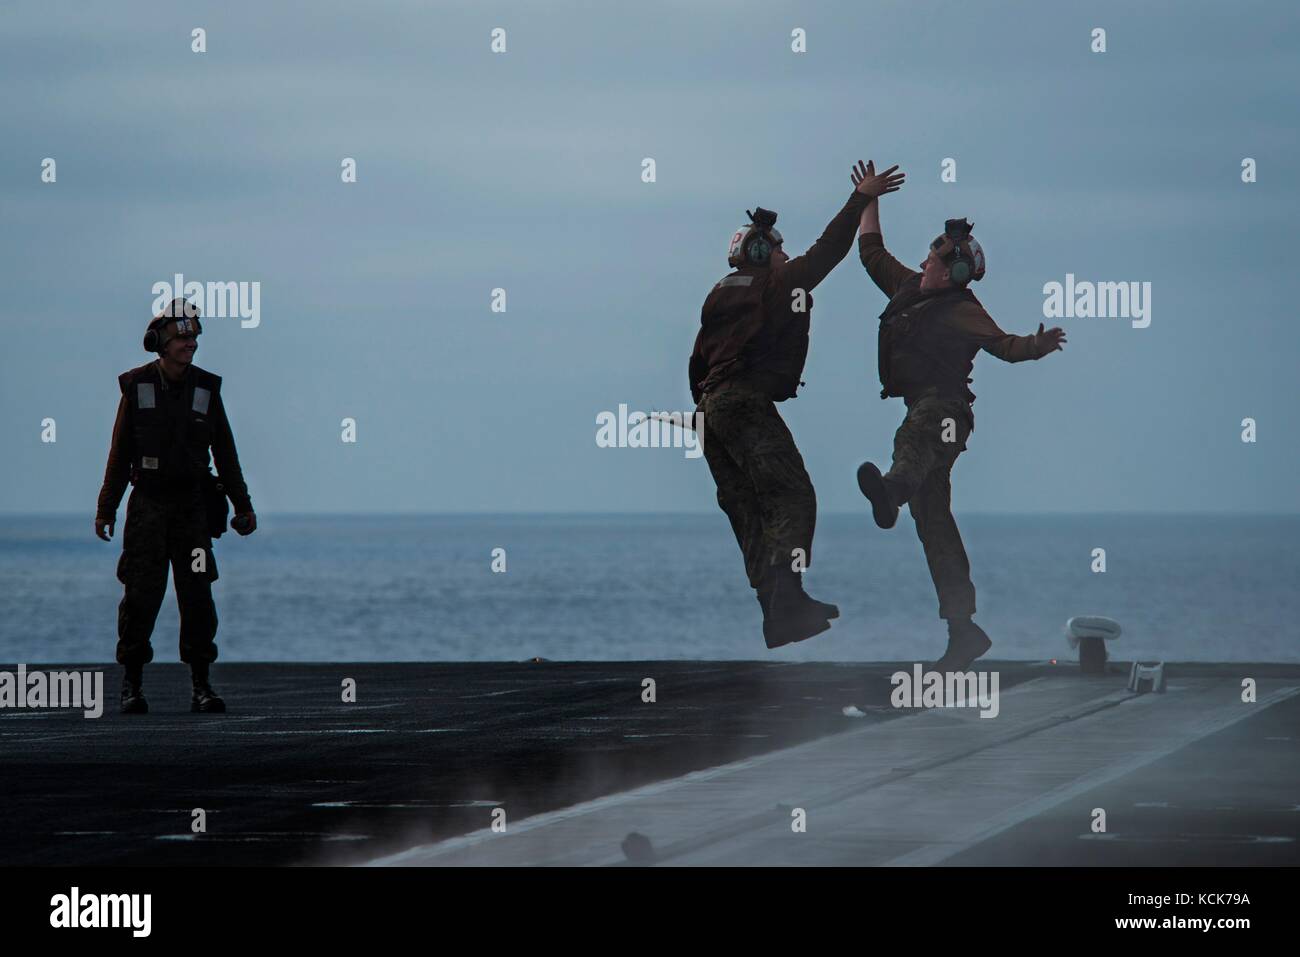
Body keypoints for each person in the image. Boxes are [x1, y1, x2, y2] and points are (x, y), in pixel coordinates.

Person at [851, 160, 1066, 672]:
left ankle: (891, 492)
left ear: (953, 276)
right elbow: (871, 252)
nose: (924, 265)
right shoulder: (909, 287)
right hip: (924, 405)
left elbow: (1007, 347)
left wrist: (1039, 344)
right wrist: (867, 197)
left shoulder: (963, 309)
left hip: (948, 411)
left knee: (915, 437)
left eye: (933, 263)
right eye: (927, 259)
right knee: (935, 524)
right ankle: (964, 631)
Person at [689, 160, 905, 648]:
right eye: (779, 248)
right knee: (793, 495)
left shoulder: (719, 294)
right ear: (762, 252)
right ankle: (789, 599)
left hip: (709, 411)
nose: (786, 254)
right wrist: (860, 199)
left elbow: (697, 362)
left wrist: (708, 419)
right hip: (741, 403)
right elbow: (829, 251)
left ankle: (775, 611)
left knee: (748, 508)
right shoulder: (775, 285)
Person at [95, 297, 257, 714]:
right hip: (147, 508)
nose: (190, 344)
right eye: (181, 337)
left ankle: (201, 686)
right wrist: (107, 508)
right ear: (159, 343)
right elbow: (119, 453)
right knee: (140, 597)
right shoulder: (136, 387)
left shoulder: (206, 389)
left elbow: (226, 452)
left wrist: (243, 505)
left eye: (194, 336)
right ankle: (131, 685)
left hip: (192, 510)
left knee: (198, 597)